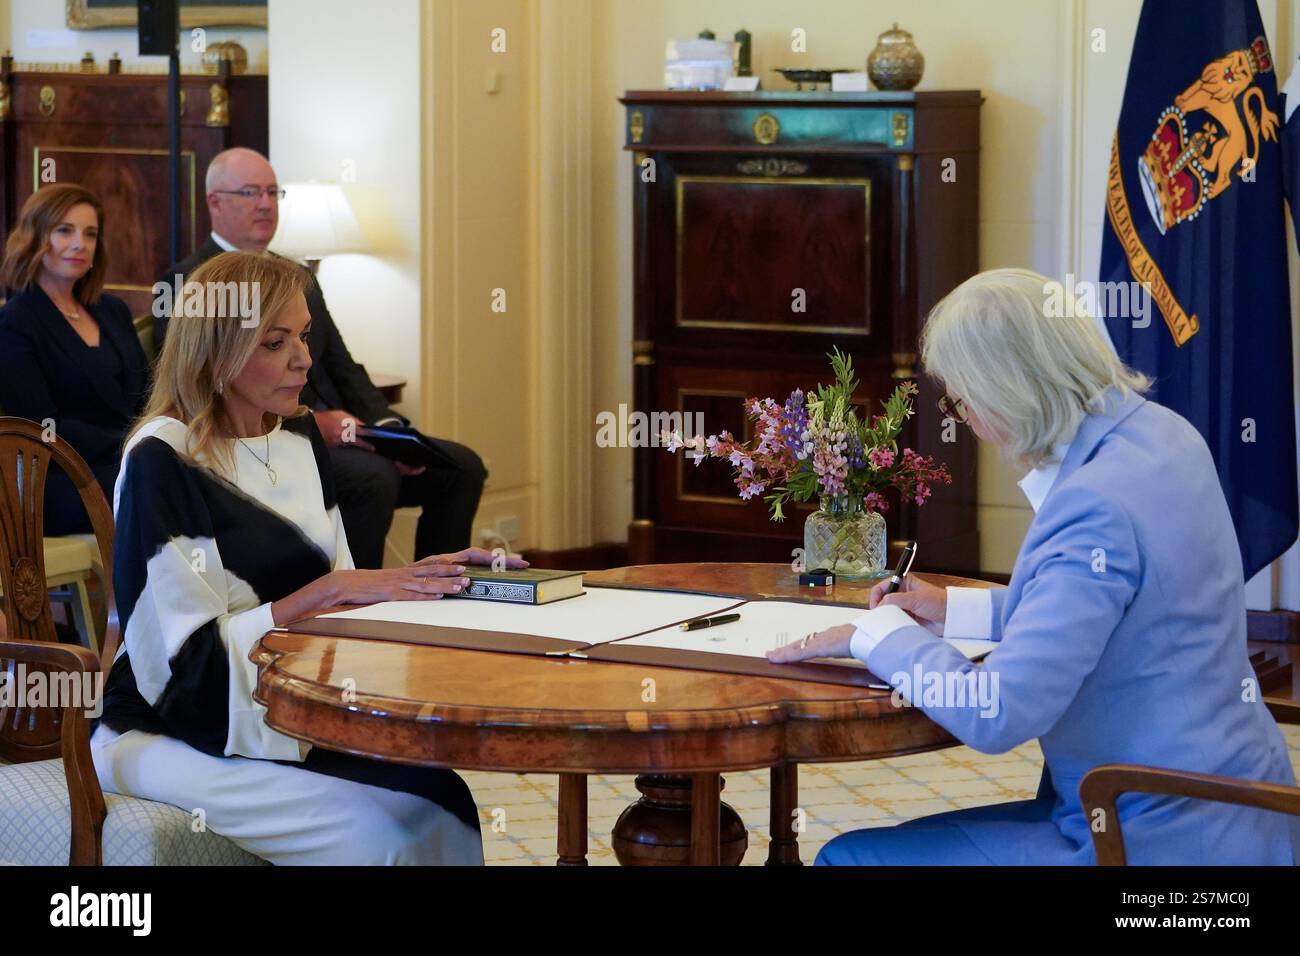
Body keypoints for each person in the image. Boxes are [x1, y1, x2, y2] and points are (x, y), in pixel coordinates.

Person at [769, 267, 1300, 866]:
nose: (963, 417)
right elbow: (1115, 610)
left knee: (850, 858)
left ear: (1006, 389)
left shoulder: (1091, 505)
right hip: (1243, 808)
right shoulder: (1163, 434)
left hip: (1152, 837)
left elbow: (998, 714)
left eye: (959, 396)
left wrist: (879, 636)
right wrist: (953, 609)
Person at [92, 251, 527, 864]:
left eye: (304, 336)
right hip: (165, 727)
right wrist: (315, 598)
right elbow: (179, 669)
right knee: (382, 837)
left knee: (441, 797)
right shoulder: (163, 459)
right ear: (216, 351)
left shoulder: (295, 435)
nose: (302, 358)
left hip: (283, 703)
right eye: (275, 342)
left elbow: (344, 597)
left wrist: (430, 578)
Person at [155, 147, 486, 569]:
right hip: (268, 437)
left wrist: (385, 431)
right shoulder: (189, 281)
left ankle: (442, 594)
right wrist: (315, 422)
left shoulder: (295, 275)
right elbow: (200, 383)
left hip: (344, 433)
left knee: (460, 467)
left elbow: (343, 366)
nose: (265, 204)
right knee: (373, 478)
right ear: (215, 202)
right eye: (251, 192)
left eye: (274, 193)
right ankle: (360, 605)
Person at [0, 184, 148, 535]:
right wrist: (133, 444)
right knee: (164, 488)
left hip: (130, 461)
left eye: (90, 233)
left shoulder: (112, 311)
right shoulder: (16, 323)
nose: (80, 243)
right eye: (64, 231)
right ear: (35, 239)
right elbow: (41, 427)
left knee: (198, 473)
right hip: (61, 480)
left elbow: (148, 391)